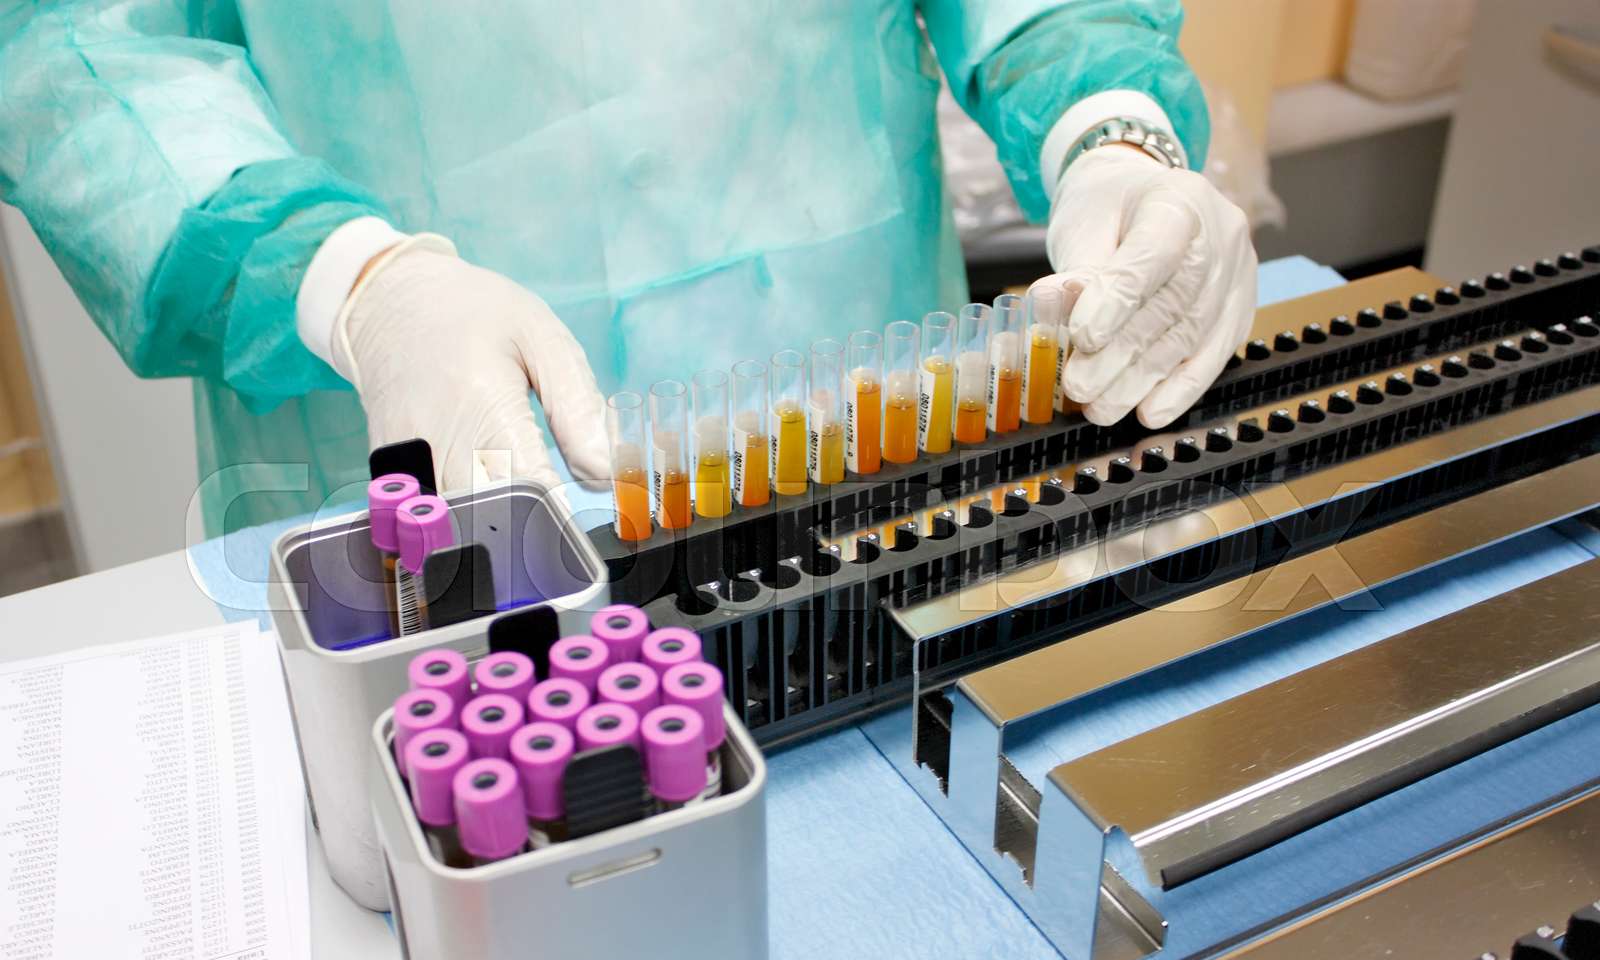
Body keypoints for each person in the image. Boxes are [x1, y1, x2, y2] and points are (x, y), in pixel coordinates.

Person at [0, 1, 1254, 536]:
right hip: (403, 411)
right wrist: (352, 282)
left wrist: (1110, 131)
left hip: (842, 402)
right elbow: (76, 47)